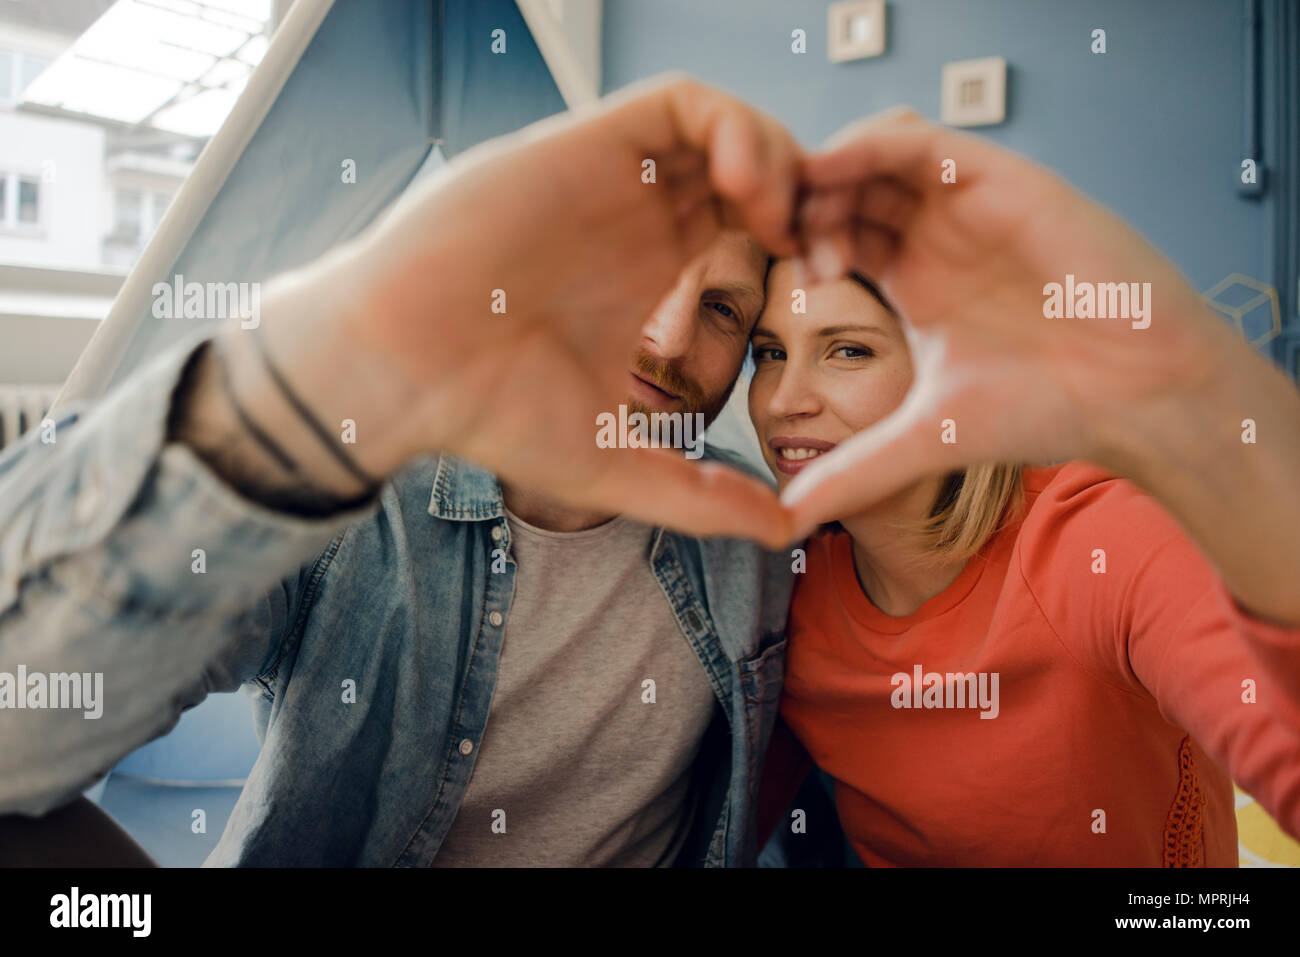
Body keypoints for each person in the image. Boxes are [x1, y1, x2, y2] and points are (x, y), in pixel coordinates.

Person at [0, 76, 806, 866]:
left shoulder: (748, 536)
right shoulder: (357, 505)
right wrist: (319, 357)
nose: (668, 339)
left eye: (722, 308)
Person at [751, 109, 1300, 866]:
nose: (784, 399)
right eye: (769, 352)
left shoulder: (1098, 540)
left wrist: (1199, 384)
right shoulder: (782, 593)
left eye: (847, 350)